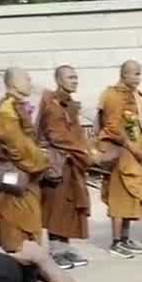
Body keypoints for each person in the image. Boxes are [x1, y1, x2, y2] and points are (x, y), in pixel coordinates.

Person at [0, 69, 51, 253]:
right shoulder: (7, 110)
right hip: (15, 178)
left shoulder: (15, 106)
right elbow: (18, 148)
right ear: (14, 83)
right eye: (27, 79)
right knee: (18, 231)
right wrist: (42, 160)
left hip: (23, 175)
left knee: (27, 228)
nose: (30, 82)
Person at [37, 66, 96, 269]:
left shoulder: (68, 104)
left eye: (76, 77)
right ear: (59, 80)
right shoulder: (52, 105)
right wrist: (84, 152)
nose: (75, 81)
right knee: (57, 207)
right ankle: (55, 250)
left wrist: (86, 149)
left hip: (72, 164)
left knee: (69, 206)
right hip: (58, 164)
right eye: (70, 77)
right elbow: (57, 136)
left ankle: (65, 247)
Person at [97, 60, 142, 258]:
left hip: (134, 152)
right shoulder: (112, 95)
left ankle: (126, 238)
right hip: (122, 152)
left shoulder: (134, 95)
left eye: (140, 74)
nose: (139, 78)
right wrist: (133, 148)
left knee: (131, 199)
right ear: (124, 74)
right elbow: (112, 127)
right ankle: (115, 241)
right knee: (119, 199)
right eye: (135, 74)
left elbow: (137, 125)